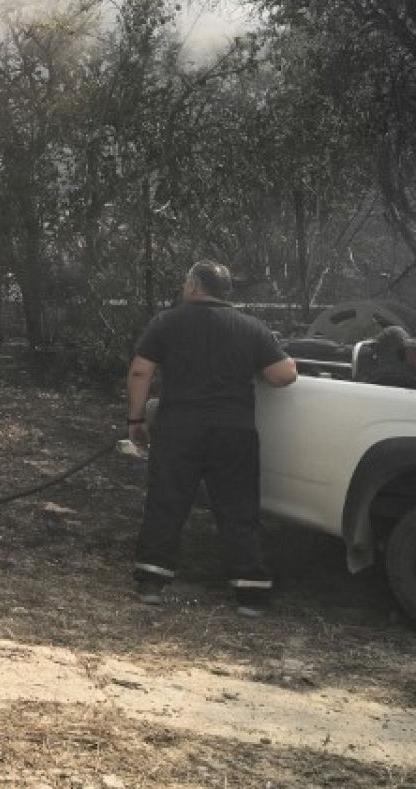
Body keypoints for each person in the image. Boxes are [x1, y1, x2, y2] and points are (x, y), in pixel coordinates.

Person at [126, 259, 297, 615]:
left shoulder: (167, 322)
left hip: (178, 429)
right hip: (233, 433)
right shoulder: (251, 328)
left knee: (167, 501)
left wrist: (136, 418)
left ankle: (151, 582)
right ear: (226, 291)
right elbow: (282, 376)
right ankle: (251, 594)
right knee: (238, 507)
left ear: (192, 286)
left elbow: (141, 370)